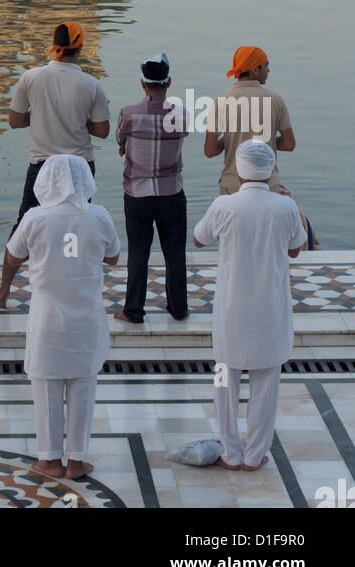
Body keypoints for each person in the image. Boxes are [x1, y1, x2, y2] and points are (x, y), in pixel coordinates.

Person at [193, 140, 306, 470]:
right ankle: (255, 455)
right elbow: (297, 249)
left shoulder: (223, 206)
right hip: (270, 311)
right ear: (270, 169)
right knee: (266, 387)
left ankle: (230, 453)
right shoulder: (285, 207)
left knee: (222, 383)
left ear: (239, 170)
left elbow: (200, 238)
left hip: (230, 312)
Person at [5, 155, 120, 479]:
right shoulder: (99, 216)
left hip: (47, 321)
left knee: (46, 389)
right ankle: (78, 459)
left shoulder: (35, 218)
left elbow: (13, 255)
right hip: (86, 318)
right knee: (84, 387)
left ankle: (50, 460)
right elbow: (113, 256)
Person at [0, 21, 110, 308]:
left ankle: (3, 292)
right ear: (80, 46)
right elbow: (103, 131)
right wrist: (78, 120)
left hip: (42, 166)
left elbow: (15, 121)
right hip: (80, 168)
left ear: (53, 45)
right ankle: (74, 291)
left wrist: (42, 115)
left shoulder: (31, 77)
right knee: (78, 225)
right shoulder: (92, 84)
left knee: (23, 226)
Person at [114, 53, 188, 324]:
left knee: (138, 253)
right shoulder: (180, 114)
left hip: (137, 194)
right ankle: (178, 308)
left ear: (142, 84)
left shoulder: (128, 113)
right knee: (175, 253)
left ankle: (133, 311)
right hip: (171, 193)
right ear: (169, 82)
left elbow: (120, 139)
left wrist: (126, 145)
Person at [205, 45, 295, 195]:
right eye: (266, 65)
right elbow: (289, 144)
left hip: (232, 186)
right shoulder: (275, 100)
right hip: (267, 185)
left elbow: (210, 150)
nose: (268, 70)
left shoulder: (220, 101)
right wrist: (264, 142)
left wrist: (230, 140)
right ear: (255, 69)